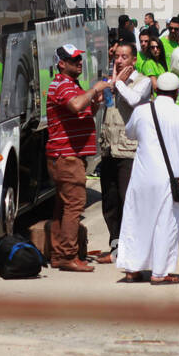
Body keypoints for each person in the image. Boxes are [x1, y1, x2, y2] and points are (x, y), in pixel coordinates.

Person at [115, 72, 179, 284]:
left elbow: (130, 133)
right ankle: (160, 272)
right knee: (166, 223)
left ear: (156, 90)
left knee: (136, 220)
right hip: (169, 179)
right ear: (177, 92)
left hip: (142, 175)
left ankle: (132, 269)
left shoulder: (141, 111)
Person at [45, 44, 110, 272]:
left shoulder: (72, 84)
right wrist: (94, 90)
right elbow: (75, 105)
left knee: (63, 206)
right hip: (67, 156)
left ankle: (59, 254)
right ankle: (68, 256)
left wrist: (95, 101)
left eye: (80, 59)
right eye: (74, 60)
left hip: (69, 155)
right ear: (62, 64)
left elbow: (84, 112)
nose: (80, 63)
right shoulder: (62, 84)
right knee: (74, 205)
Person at [95, 39, 151, 263]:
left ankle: (133, 248)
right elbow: (102, 106)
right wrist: (108, 87)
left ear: (134, 60)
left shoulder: (142, 82)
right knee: (110, 201)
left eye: (124, 57)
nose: (119, 61)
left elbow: (134, 99)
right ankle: (115, 245)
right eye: (116, 56)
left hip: (130, 151)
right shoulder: (111, 82)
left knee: (128, 200)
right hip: (109, 149)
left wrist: (118, 83)